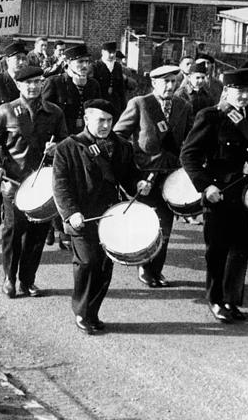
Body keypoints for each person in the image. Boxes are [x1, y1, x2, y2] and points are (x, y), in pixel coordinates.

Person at [180, 68, 248, 323]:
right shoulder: (210, 117)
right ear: (227, 91)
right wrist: (206, 186)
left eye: (247, 91)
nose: (243, 96)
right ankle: (216, 300)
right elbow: (189, 155)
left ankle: (232, 299)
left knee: (242, 246)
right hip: (218, 193)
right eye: (238, 91)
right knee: (217, 249)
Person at [53, 99, 140, 335]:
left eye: (110, 121)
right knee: (87, 263)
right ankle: (81, 311)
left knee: (104, 265)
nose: (105, 125)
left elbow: (128, 176)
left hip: (110, 216)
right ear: (87, 119)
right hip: (82, 217)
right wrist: (71, 213)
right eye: (100, 120)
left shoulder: (121, 145)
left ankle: (93, 312)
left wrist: (139, 184)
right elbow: (61, 186)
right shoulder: (68, 147)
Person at [0, 65, 68, 298]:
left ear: (42, 84)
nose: (33, 87)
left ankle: (28, 280)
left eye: (37, 82)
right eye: (28, 83)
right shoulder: (6, 111)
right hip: (13, 183)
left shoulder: (55, 112)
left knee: (37, 236)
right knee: (13, 233)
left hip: (42, 185)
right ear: (19, 85)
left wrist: (57, 147)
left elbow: (66, 142)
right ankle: (9, 278)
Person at [113, 65, 192, 287]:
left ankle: (156, 269)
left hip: (170, 175)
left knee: (166, 224)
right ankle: (144, 265)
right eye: (164, 81)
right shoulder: (140, 104)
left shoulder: (183, 106)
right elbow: (119, 136)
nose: (170, 86)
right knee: (148, 222)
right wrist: (132, 164)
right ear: (154, 83)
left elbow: (190, 139)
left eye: (173, 81)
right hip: (144, 175)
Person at [41, 44, 102, 248]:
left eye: (87, 62)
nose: (85, 66)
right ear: (68, 63)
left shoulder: (93, 85)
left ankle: (64, 226)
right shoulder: (54, 83)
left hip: (82, 141)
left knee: (80, 182)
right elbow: (44, 113)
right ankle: (57, 227)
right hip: (59, 142)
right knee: (61, 183)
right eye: (80, 62)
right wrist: (50, 142)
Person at [0, 40, 30, 225]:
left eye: (24, 59)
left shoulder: (27, 80)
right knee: (0, 174)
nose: (22, 62)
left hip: (19, 136)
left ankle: (11, 206)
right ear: (7, 60)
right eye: (17, 59)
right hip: (1, 134)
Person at [93, 41, 127, 113]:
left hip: (115, 105)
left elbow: (121, 89)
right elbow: (92, 89)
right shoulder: (95, 66)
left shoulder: (117, 66)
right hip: (100, 105)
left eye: (114, 52)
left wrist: (123, 107)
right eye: (109, 52)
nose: (112, 55)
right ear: (103, 52)